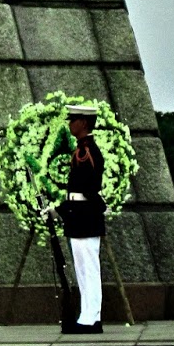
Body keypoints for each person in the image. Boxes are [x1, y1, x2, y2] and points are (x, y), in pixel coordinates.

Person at [59, 104, 106, 334]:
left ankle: (92, 317)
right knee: (83, 268)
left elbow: (89, 187)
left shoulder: (86, 152)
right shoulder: (81, 150)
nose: (70, 123)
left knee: (89, 268)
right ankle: (87, 316)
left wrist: (65, 207)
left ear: (84, 123)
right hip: (80, 214)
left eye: (74, 119)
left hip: (84, 214)